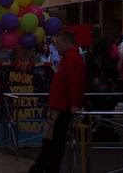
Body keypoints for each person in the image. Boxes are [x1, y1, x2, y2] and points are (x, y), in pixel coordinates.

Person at [30, 30, 85, 173]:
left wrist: (74, 104)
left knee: (53, 141)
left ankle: (44, 168)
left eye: (58, 43)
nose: (56, 47)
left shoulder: (72, 59)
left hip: (61, 107)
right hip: (60, 105)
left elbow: (74, 83)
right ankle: (45, 167)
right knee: (53, 141)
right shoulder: (70, 58)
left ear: (66, 43)